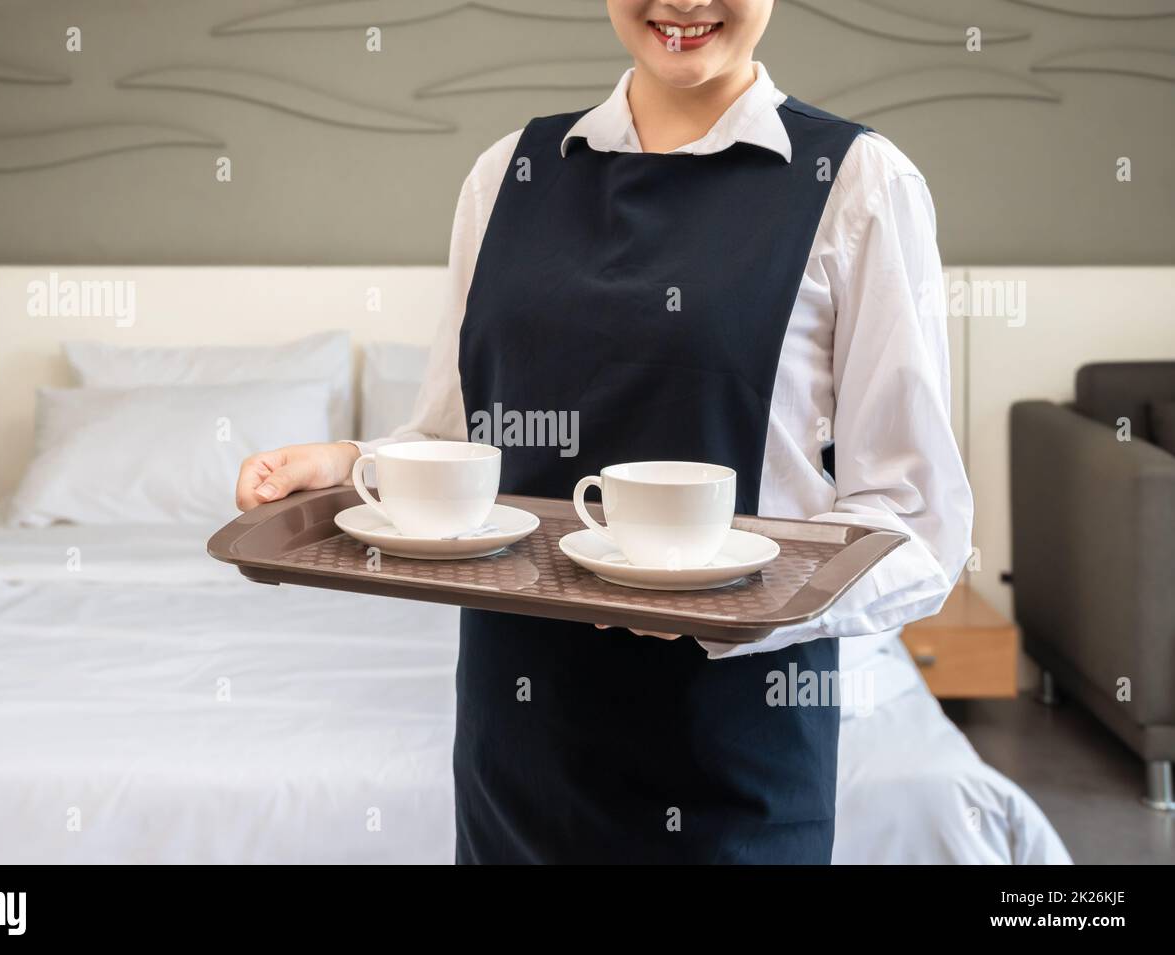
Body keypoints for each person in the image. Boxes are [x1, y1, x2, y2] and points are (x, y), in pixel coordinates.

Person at [236, 0, 973, 864]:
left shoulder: (858, 184)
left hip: (733, 752)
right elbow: (456, 434)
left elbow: (918, 524)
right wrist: (348, 462)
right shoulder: (506, 174)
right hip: (516, 744)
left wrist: (741, 609)